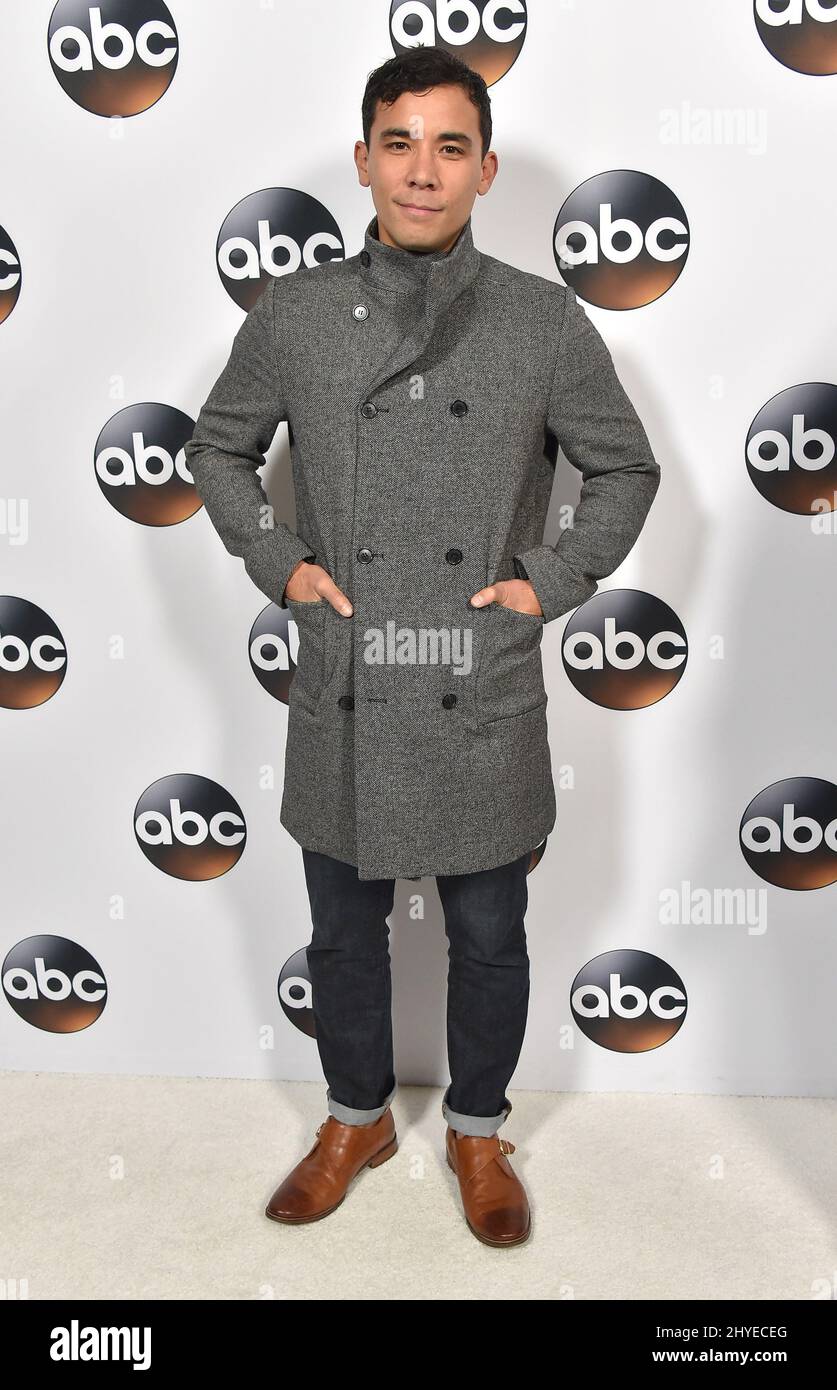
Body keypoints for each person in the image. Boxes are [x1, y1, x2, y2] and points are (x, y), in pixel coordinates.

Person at [185, 47, 660, 1247]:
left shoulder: (543, 320)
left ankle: (481, 1128)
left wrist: (548, 583)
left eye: (451, 146)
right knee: (342, 931)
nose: (423, 171)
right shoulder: (294, 314)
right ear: (363, 160)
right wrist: (277, 561)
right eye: (400, 143)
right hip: (346, 673)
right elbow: (216, 449)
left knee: (490, 934)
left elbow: (626, 468)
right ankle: (354, 1116)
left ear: (486, 169)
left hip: (475, 677)